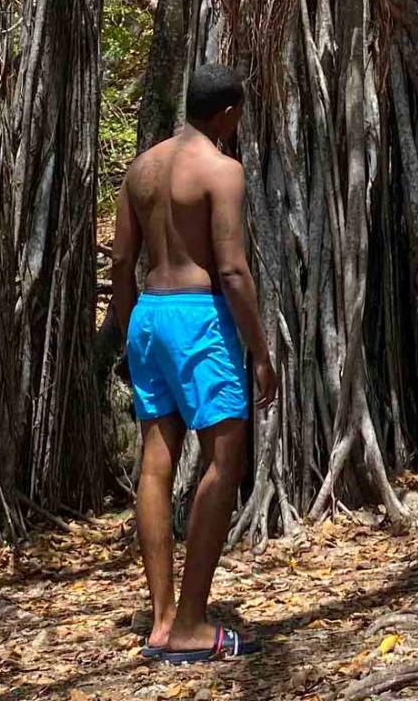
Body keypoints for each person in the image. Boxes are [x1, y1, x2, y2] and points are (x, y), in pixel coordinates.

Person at [107, 65, 278, 663]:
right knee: (224, 460)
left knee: (156, 462)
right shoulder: (221, 170)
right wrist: (259, 352)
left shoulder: (142, 168)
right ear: (228, 113)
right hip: (199, 319)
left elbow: (121, 261)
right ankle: (189, 623)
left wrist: (131, 335)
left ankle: (158, 619)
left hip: (149, 316)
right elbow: (232, 270)